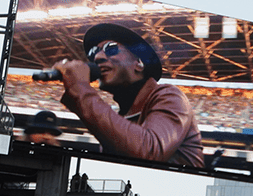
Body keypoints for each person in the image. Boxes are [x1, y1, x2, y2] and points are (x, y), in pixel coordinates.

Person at [48, 23, 203, 167]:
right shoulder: (121, 118)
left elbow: (149, 152)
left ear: (139, 63)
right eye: (93, 52)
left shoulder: (170, 96)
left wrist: (81, 89)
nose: (97, 57)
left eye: (111, 48)